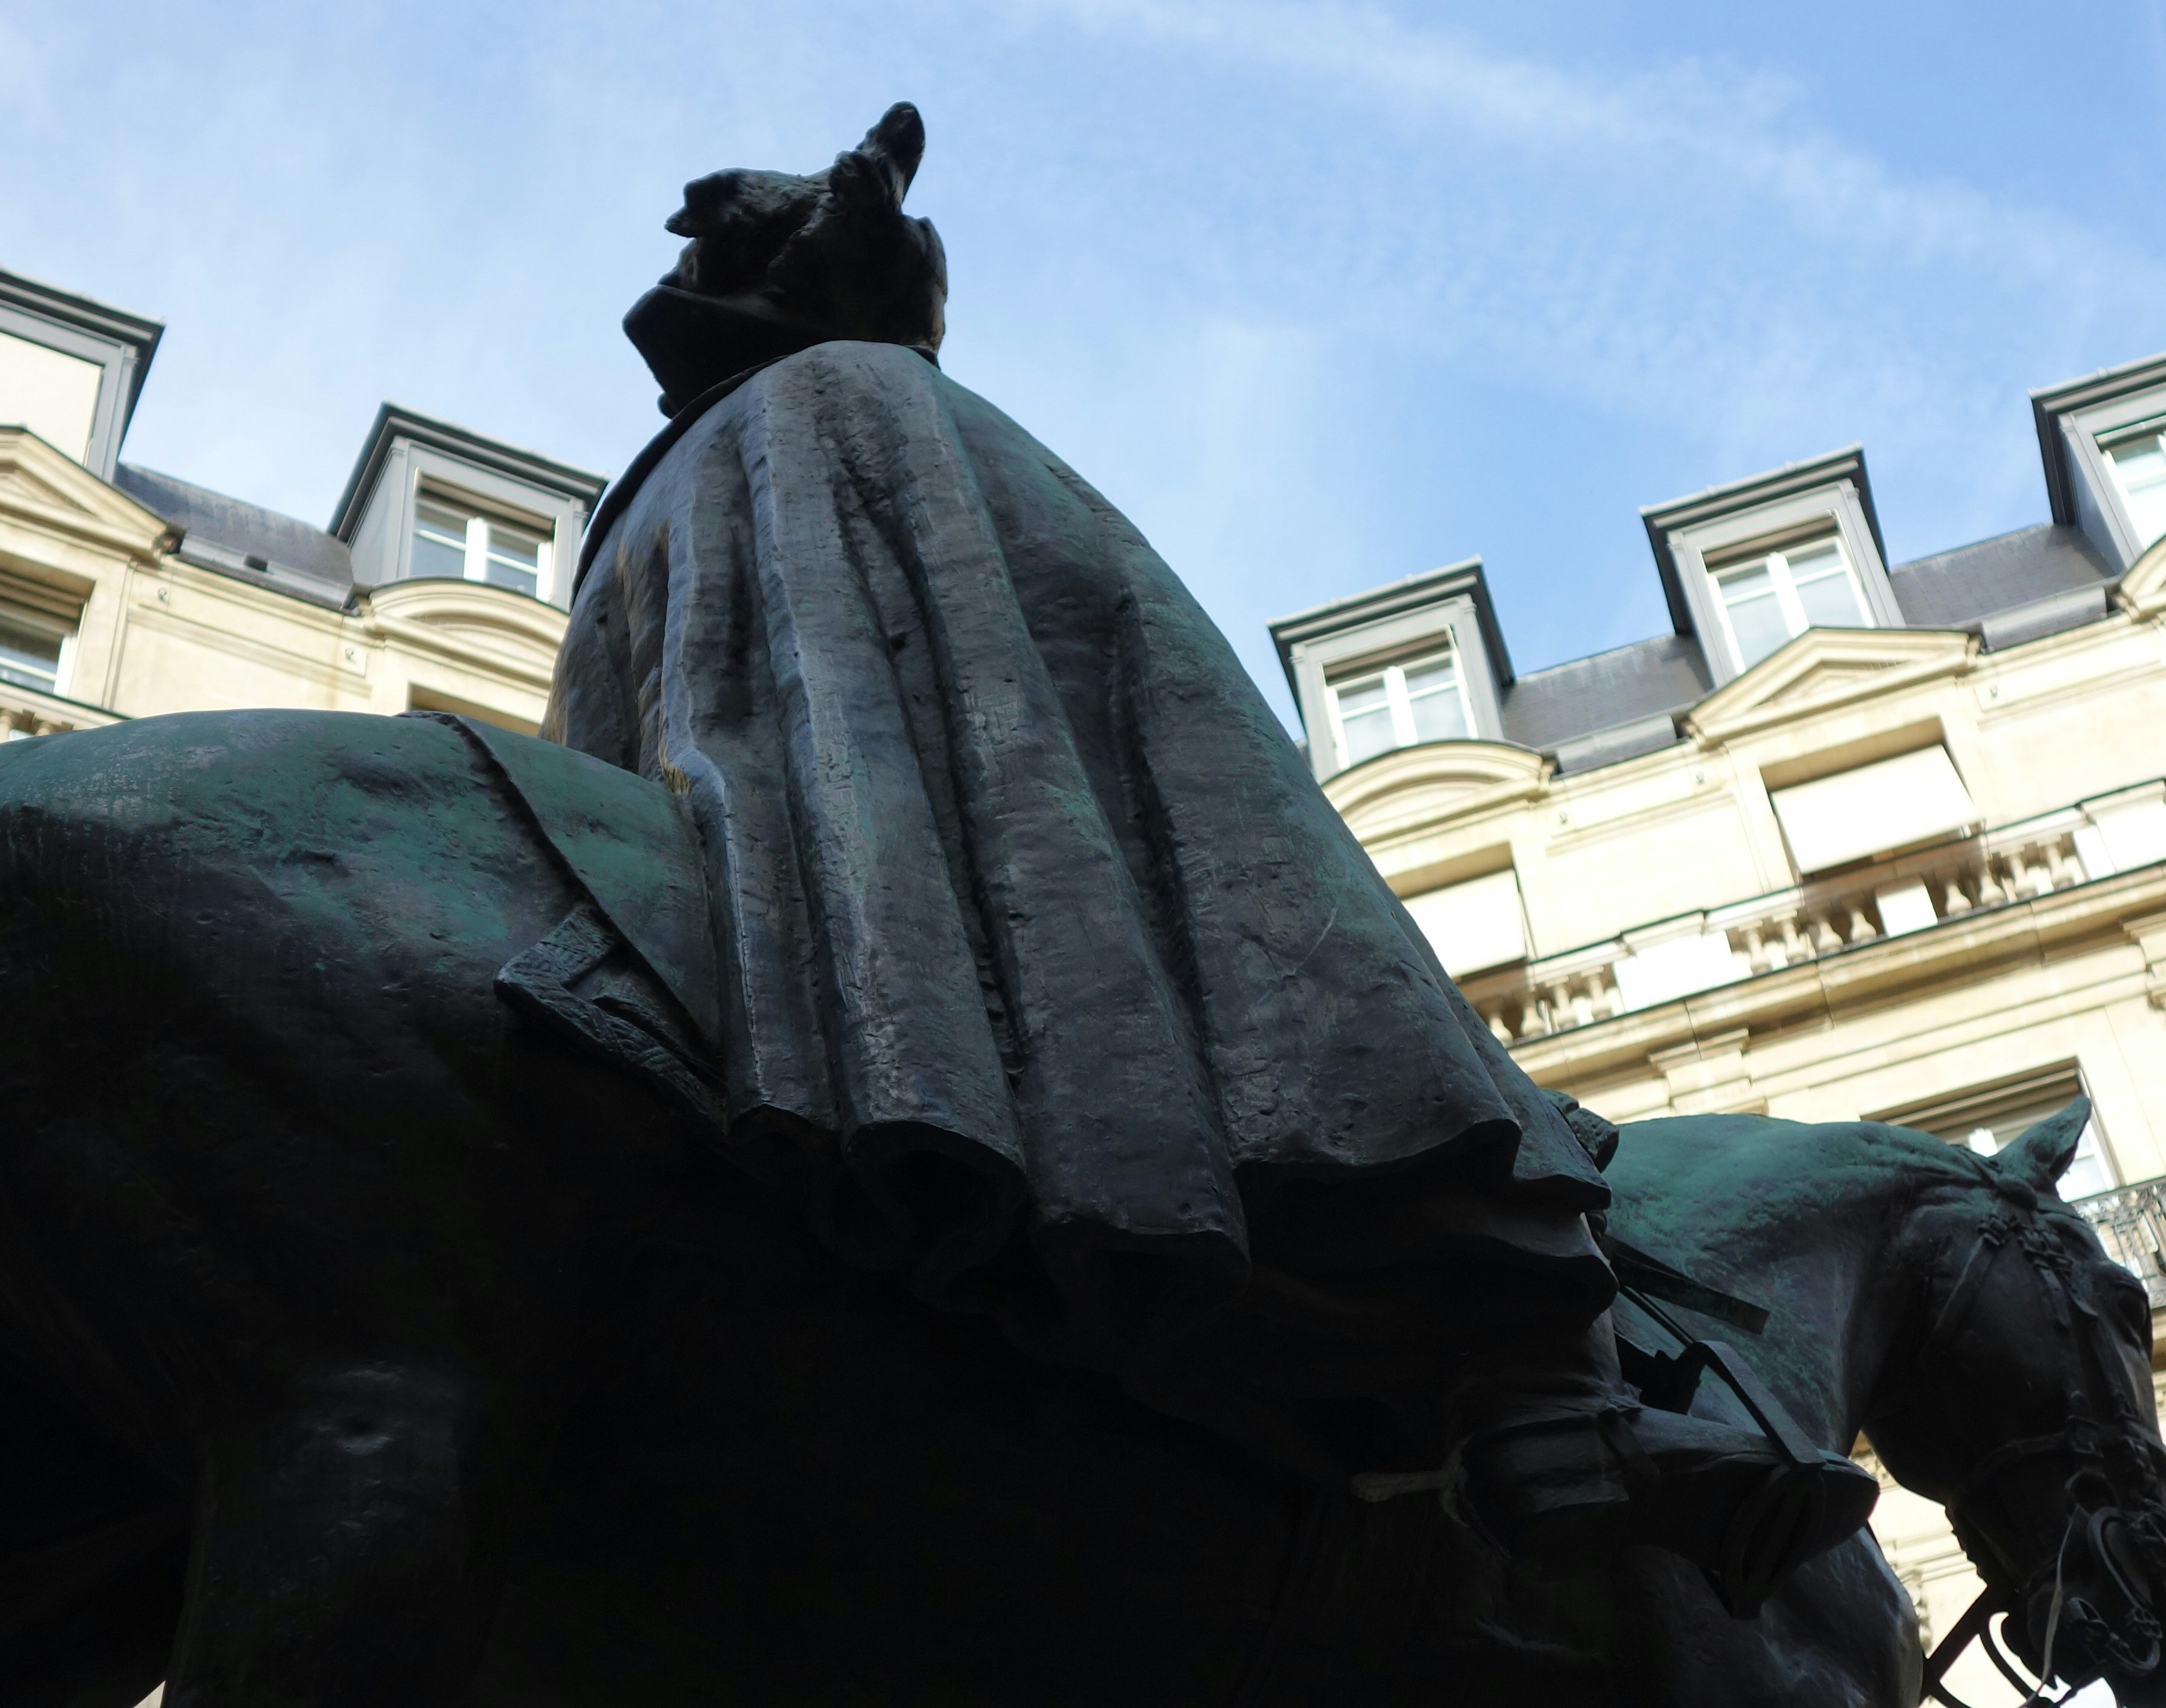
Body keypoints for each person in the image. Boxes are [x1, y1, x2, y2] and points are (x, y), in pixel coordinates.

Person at [543, 105, 1874, 1589]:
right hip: (968, 965)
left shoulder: (645, 503)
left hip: (758, 973)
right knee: (1337, 963)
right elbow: (1158, 707)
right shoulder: (880, 406)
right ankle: (1554, 1403)